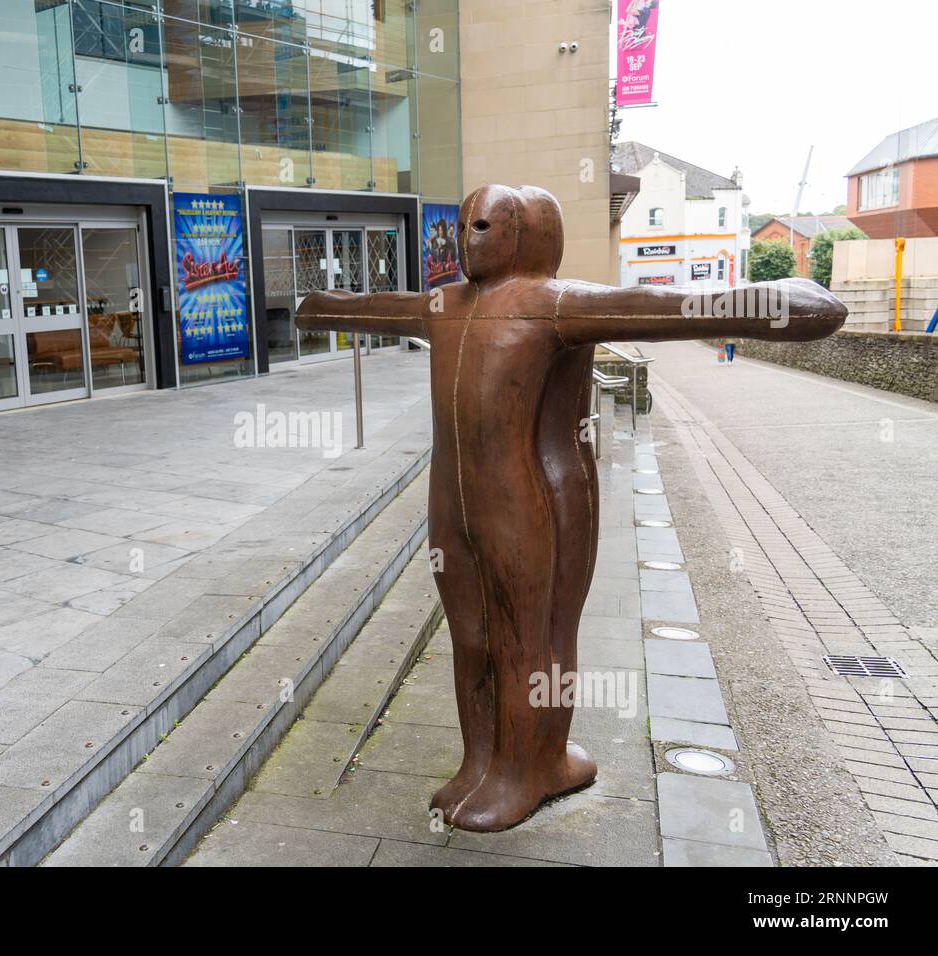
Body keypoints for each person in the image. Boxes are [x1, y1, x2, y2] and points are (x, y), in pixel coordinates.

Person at [296, 184, 846, 831]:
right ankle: (482, 762)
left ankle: (529, 766)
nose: (471, 236)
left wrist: (789, 301)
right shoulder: (444, 305)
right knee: (472, 638)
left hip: (528, 503)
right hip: (453, 507)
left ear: (527, 233)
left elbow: (679, 306)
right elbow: (343, 308)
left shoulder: (554, 305)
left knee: (530, 636)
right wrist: (315, 306)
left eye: (486, 224)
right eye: (467, 222)